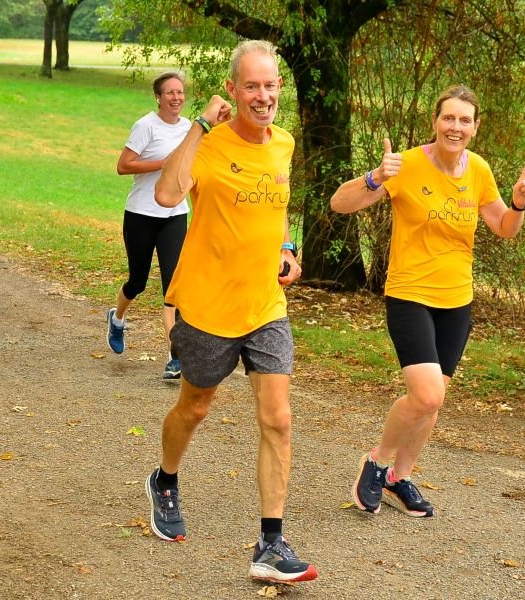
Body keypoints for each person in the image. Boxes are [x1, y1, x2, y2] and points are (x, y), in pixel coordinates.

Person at [145, 40, 317, 585]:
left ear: (279, 88)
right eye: (251, 86)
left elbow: (278, 207)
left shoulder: (284, 143)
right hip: (207, 307)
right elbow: (167, 195)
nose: (262, 96)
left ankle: (271, 544)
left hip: (265, 304)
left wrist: (287, 248)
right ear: (232, 90)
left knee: (278, 419)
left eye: (270, 85)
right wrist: (198, 126)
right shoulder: (208, 144)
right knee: (195, 407)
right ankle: (165, 479)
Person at [330, 84, 525, 518]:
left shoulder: (478, 169)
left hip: (456, 301)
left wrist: (518, 206)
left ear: (475, 128)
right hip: (410, 294)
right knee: (425, 395)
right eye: (449, 118)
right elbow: (340, 204)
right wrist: (375, 177)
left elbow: (504, 227)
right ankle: (377, 461)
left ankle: (399, 477)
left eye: (465, 120)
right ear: (435, 122)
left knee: (434, 400)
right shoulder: (405, 165)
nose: (455, 127)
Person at [107, 71, 192, 381]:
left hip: (175, 215)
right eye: (169, 92)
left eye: (180, 92)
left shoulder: (189, 129)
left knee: (174, 288)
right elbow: (123, 166)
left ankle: (175, 356)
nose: (176, 97)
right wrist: (163, 163)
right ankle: (117, 318)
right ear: (158, 97)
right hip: (141, 214)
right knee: (138, 281)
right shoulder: (146, 126)